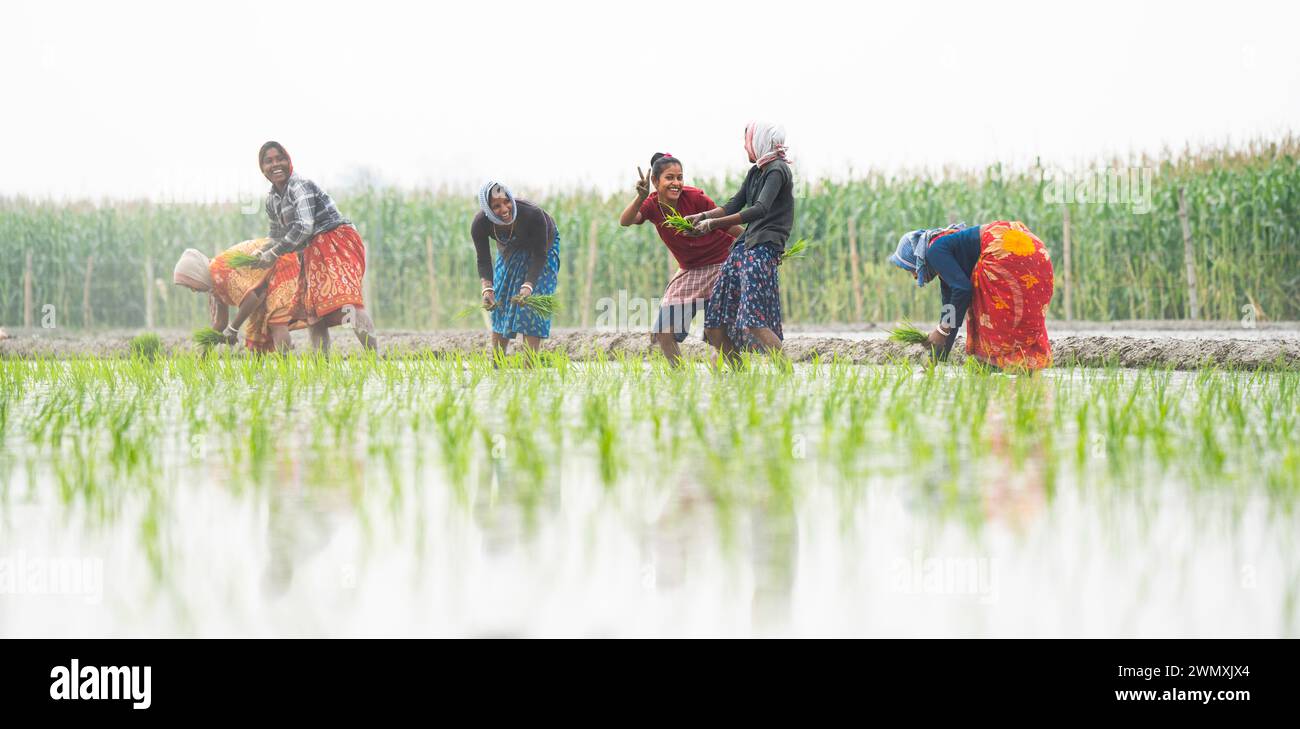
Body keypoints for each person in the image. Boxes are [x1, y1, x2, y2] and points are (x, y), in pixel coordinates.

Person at [618, 153, 741, 365]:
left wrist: (757, 242)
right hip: (690, 270)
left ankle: (740, 375)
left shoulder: (695, 198)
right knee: (663, 331)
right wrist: (640, 197)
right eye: (669, 178)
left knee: (717, 333)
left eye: (679, 177)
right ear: (655, 182)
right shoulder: (651, 204)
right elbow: (626, 221)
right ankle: (680, 379)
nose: (676, 183)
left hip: (721, 263)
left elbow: (726, 224)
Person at [689, 122, 796, 365]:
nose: (745, 147)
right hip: (744, 247)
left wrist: (714, 225)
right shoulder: (756, 172)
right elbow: (732, 205)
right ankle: (738, 376)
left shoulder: (776, 170)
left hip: (762, 249)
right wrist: (702, 216)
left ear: (759, 142)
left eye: (748, 141)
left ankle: (787, 375)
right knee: (714, 322)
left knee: (754, 320)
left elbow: (760, 209)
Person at [254, 141, 377, 352]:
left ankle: (375, 359)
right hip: (311, 251)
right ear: (262, 168)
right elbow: (276, 235)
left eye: (280, 158)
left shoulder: (298, 185)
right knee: (314, 315)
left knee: (349, 302)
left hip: (336, 241)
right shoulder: (272, 200)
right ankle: (322, 367)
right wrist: (263, 251)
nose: (276, 164)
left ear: (288, 161)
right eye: (269, 161)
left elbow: (304, 227)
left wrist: (274, 253)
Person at [888, 220, 1055, 370]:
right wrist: (936, 357)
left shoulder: (934, 251)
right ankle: (1018, 366)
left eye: (909, 269)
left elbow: (963, 290)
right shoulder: (944, 254)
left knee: (986, 305)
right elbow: (951, 310)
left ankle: (996, 364)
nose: (915, 276)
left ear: (917, 258)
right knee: (1013, 314)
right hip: (1031, 246)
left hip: (1005, 249)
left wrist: (940, 331)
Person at [471, 181, 561, 356]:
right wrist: (487, 289)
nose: (504, 209)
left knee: (532, 305)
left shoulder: (532, 214)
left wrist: (528, 286)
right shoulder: (480, 224)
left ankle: (529, 369)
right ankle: (497, 364)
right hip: (509, 247)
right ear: (488, 210)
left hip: (543, 247)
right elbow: (483, 259)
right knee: (501, 301)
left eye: (506, 201)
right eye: (496, 206)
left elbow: (539, 255)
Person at [172, 239, 301, 352]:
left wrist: (233, 329)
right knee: (255, 332)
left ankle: (285, 364)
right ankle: (258, 374)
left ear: (197, 274)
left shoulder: (219, 272)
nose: (193, 291)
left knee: (276, 321)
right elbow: (221, 322)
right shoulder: (214, 283)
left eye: (191, 285)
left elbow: (250, 299)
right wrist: (204, 354)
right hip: (263, 280)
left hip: (278, 260)